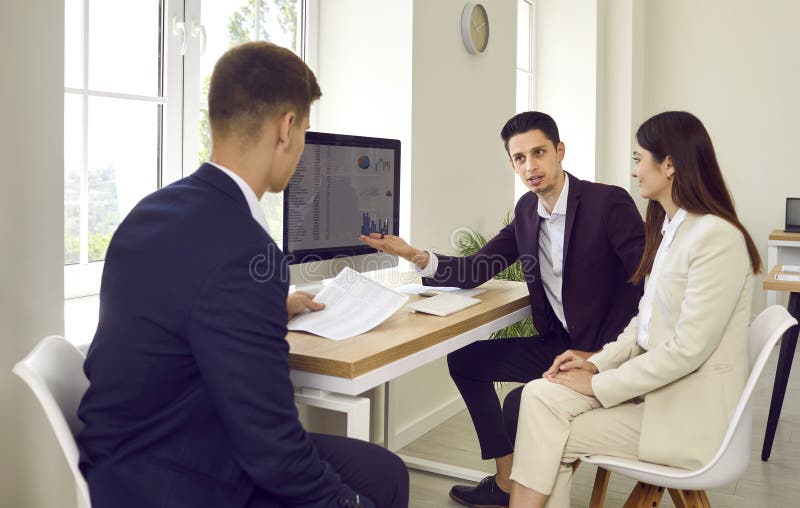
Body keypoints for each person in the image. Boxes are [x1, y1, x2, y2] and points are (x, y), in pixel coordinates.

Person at [76, 41, 408, 508]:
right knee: (367, 493)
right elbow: (273, 451)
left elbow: (188, 301)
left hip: (123, 454)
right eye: (306, 131)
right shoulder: (247, 252)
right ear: (287, 128)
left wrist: (273, 301)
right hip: (181, 477)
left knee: (384, 471)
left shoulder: (153, 210)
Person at [359, 111, 644, 507]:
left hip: (606, 352)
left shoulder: (606, 202)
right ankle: (506, 480)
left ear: (560, 152)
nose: (531, 166)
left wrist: (602, 356)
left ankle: (514, 487)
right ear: (512, 163)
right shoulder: (528, 211)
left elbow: (646, 284)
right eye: (520, 158)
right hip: (558, 344)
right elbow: (477, 267)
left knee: (518, 403)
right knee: (465, 359)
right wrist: (415, 255)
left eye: (539, 153)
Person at [507, 111, 762, 507]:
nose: (635, 172)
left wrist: (598, 384)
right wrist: (595, 363)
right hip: (655, 392)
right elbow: (646, 319)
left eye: (638, 159)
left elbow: (686, 351)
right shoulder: (674, 228)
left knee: (544, 435)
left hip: (684, 415)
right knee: (539, 396)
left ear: (670, 165)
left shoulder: (716, 239)